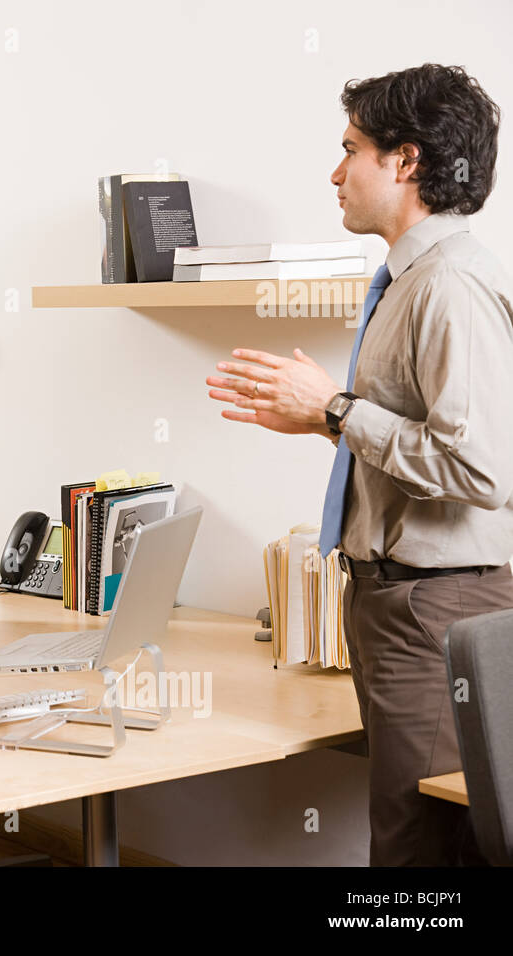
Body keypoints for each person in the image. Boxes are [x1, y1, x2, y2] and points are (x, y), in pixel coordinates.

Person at [206, 64, 513, 866]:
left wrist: (338, 411)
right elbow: (420, 442)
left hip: (436, 609)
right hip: (395, 605)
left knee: (418, 850)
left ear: (405, 161)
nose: (335, 172)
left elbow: (480, 470)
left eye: (351, 150)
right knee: (415, 838)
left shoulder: (451, 285)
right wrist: (322, 423)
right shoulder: (406, 281)